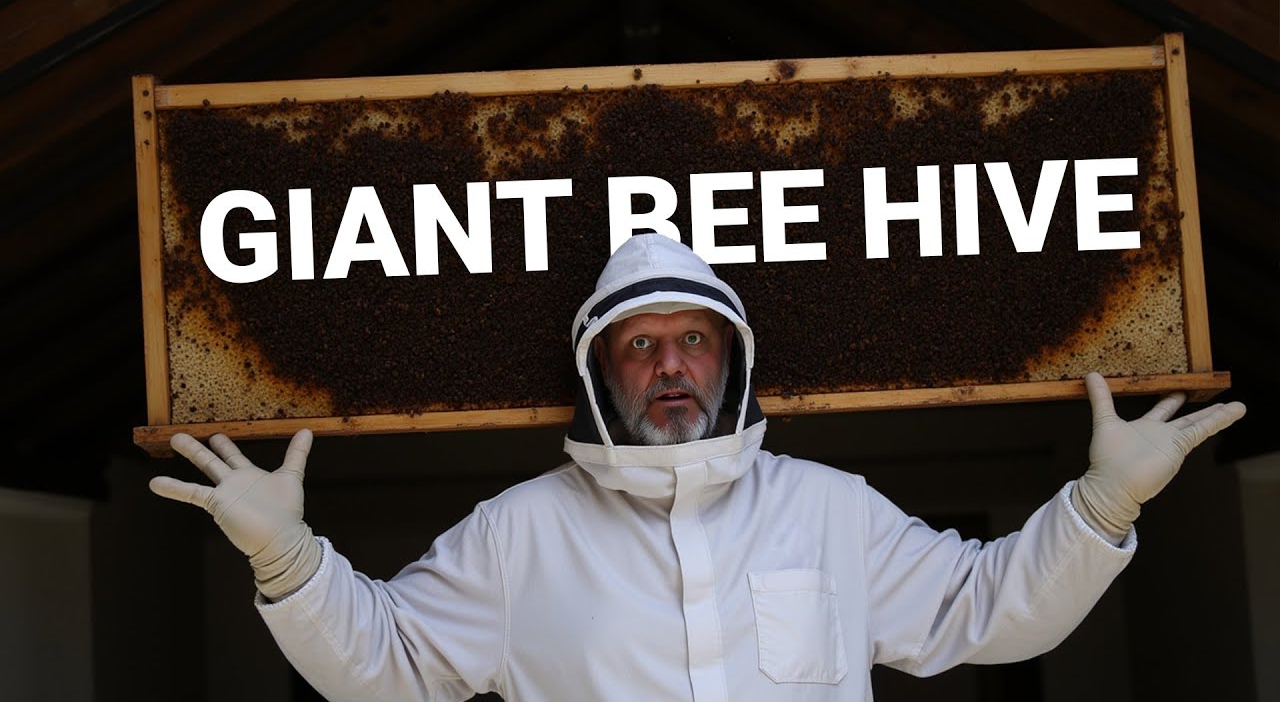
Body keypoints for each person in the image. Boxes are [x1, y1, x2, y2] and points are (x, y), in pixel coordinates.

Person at [152, 233, 1246, 701]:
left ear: (731, 360)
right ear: (600, 371)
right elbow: (386, 665)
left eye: (693, 340)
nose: (668, 364)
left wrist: (1100, 505)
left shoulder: (828, 509)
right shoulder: (519, 530)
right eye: (639, 344)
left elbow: (984, 611)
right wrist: (285, 557)